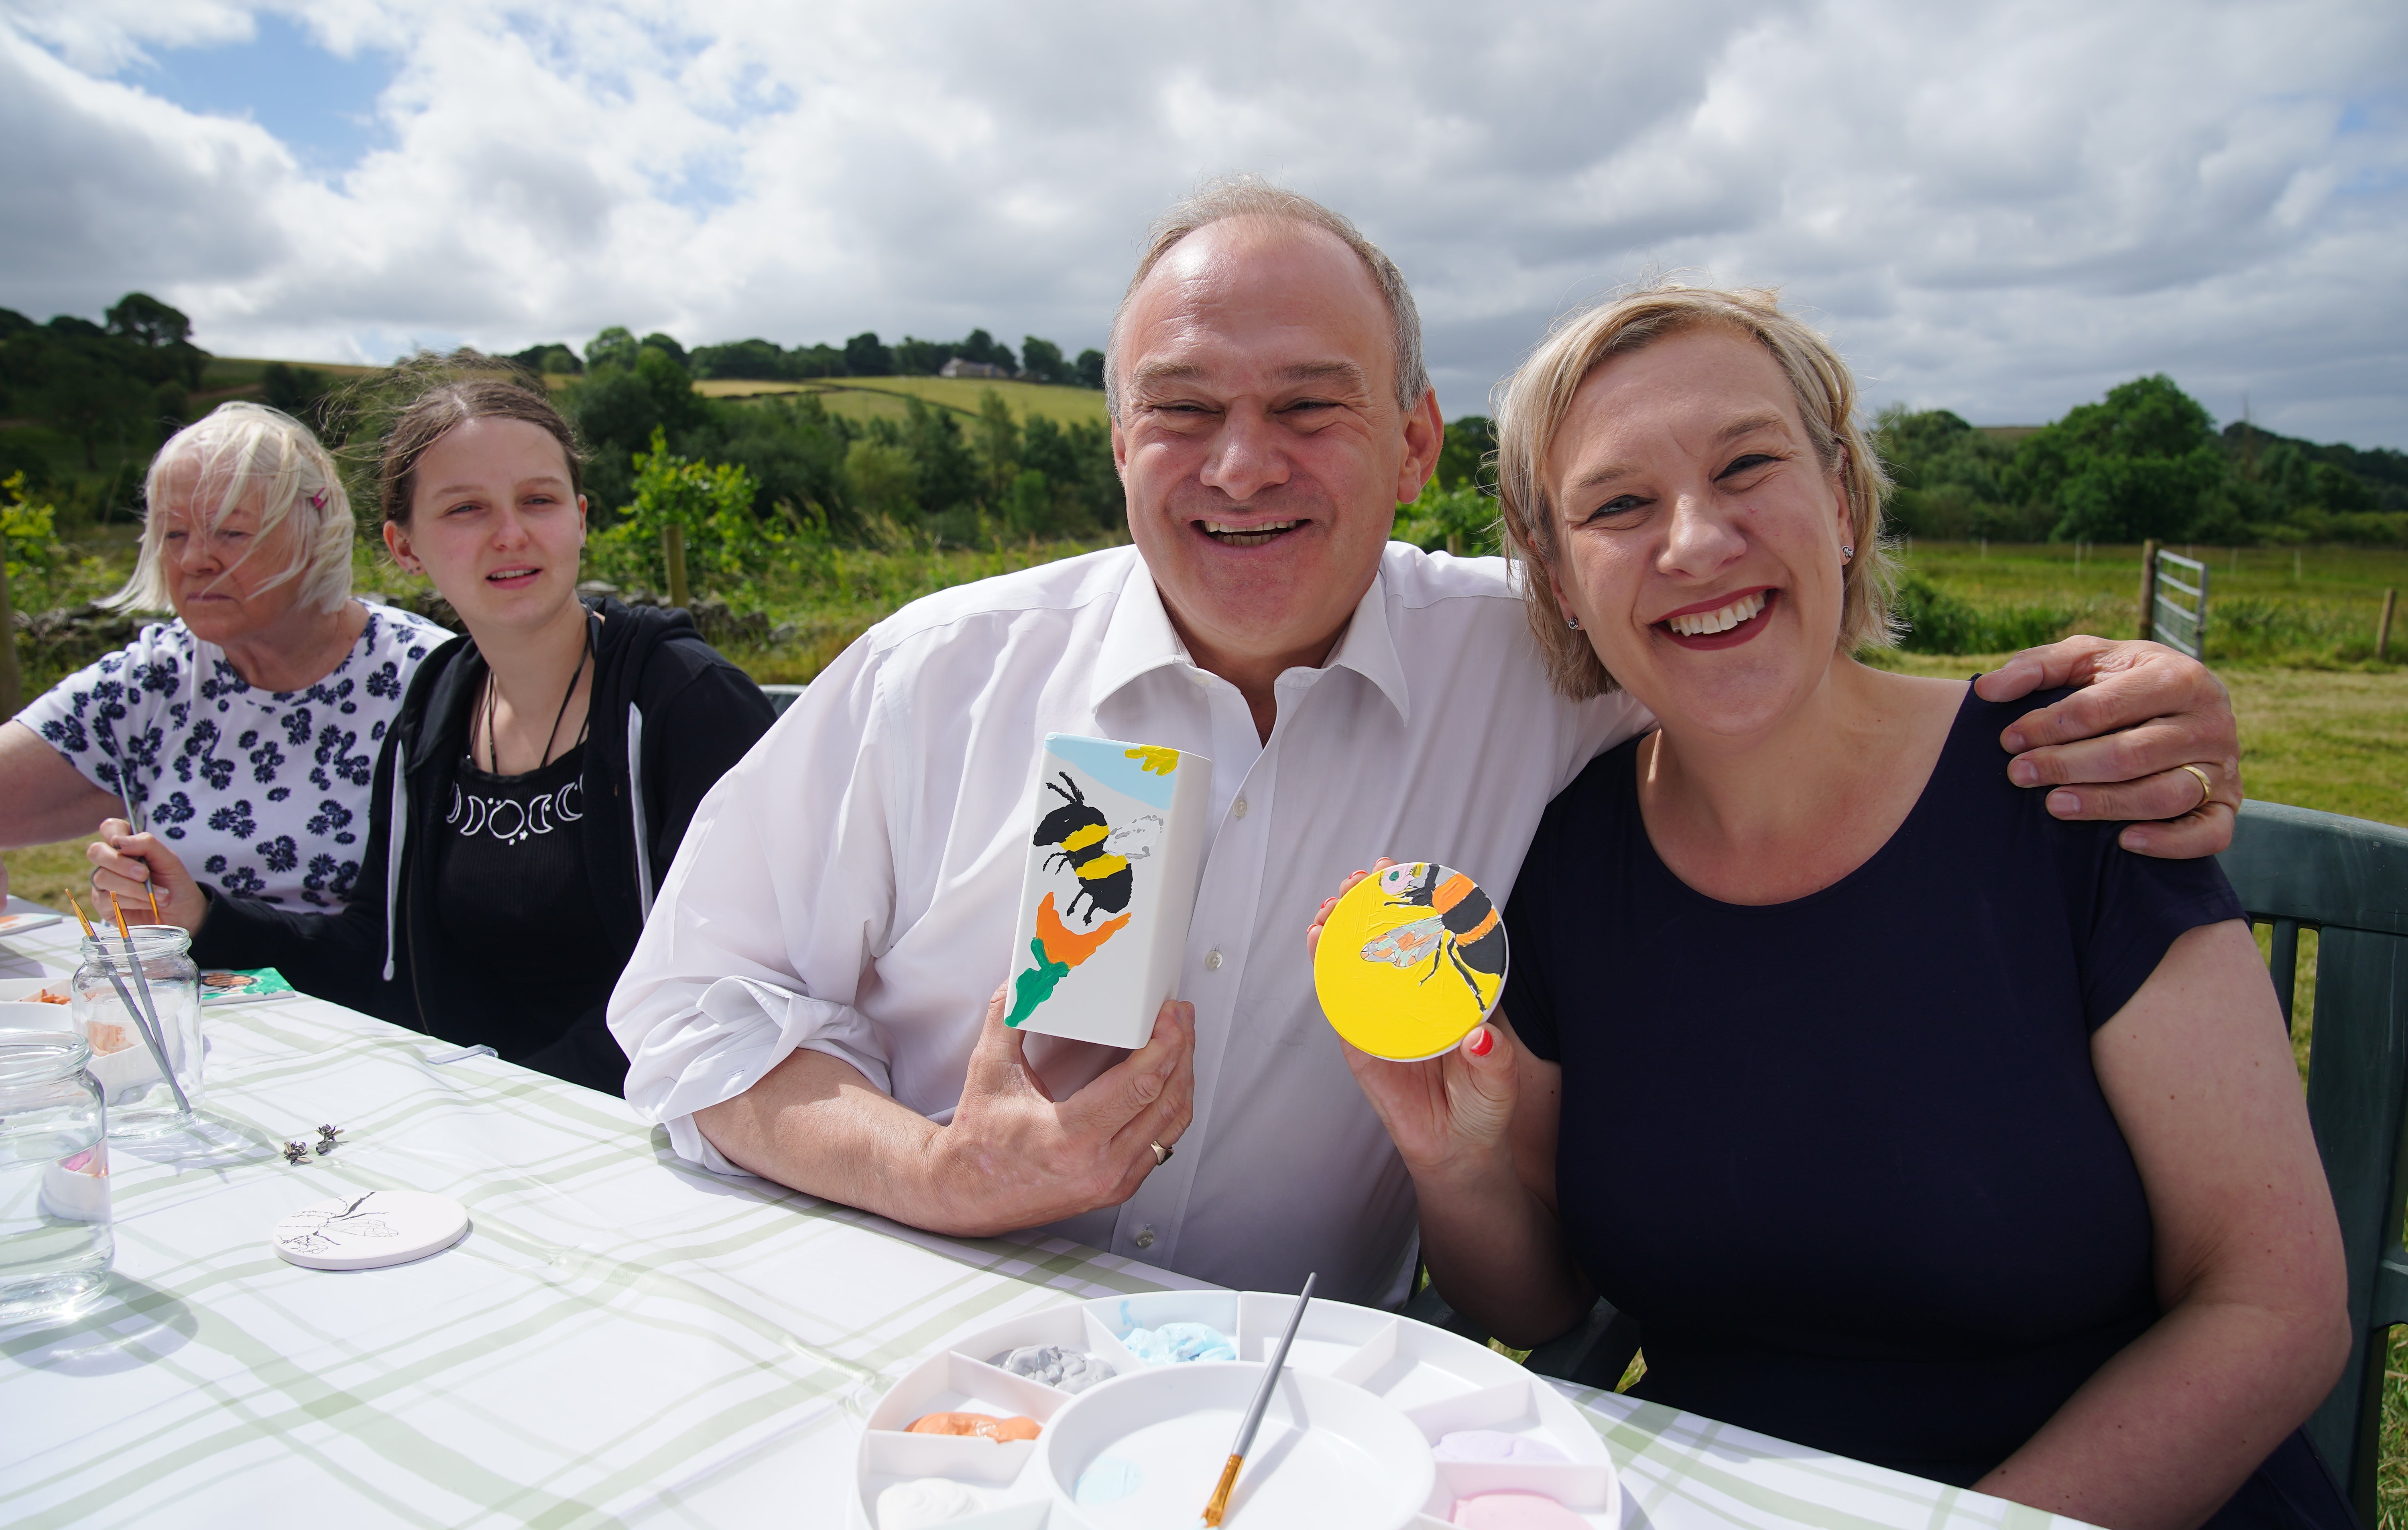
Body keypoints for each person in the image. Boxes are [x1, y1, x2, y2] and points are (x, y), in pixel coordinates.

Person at [608, 178, 2247, 1306]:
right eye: (1183, 408)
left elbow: (1753, 637)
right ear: (1116, 445)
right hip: (916, 1327)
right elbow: (688, 1013)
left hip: (1295, 1423)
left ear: (1411, 447)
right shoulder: (942, 675)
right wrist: (937, 1171)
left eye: (1308, 406)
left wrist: (2120, 703)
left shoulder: (1544, 655)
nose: (1241, 465)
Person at [1329, 285, 2347, 1528]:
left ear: (1844, 502)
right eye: (1617, 505)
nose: (1696, 541)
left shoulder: (2072, 787)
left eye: (1745, 465)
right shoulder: (1572, 855)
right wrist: (1455, 1163)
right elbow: (1537, 1304)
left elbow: (2273, 1305)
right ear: (1557, 577)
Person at [92, 364, 775, 1094]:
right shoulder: (435, 708)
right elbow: (377, 953)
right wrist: (205, 919)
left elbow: (723, 988)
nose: (511, 535)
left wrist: (507, 1103)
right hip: (470, 1113)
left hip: (642, 1122)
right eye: (466, 509)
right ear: (404, 547)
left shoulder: (686, 705)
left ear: (580, 518)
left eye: (538, 501)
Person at [1, 402, 448, 914]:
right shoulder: (158, 678)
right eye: (174, 534)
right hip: (181, 970)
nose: (195, 560)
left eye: (231, 532)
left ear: (317, 531)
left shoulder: (429, 678)